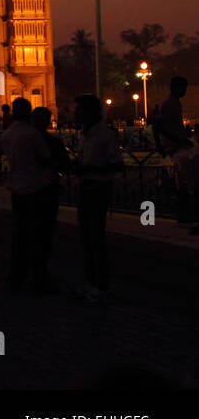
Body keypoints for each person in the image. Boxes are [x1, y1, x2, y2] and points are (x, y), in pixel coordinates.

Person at [1, 98, 55, 293]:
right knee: (38, 233)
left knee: (20, 232)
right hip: (35, 188)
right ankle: (38, 276)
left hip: (16, 187)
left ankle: (16, 275)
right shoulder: (32, 134)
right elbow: (45, 159)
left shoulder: (7, 134)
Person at [72, 94, 122, 302]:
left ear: (90, 113)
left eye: (79, 110)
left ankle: (101, 286)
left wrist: (93, 168)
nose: (75, 114)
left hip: (98, 187)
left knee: (96, 238)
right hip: (86, 187)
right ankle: (91, 282)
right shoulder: (84, 135)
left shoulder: (105, 135)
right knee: (86, 238)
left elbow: (117, 164)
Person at [154, 76, 196, 231]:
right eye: (183, 88)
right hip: (175, 148)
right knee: (182, 183)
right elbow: (160, 126)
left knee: (183, 183)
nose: (184, 91)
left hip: (177, 145)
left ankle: (184, 215)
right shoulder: (169, 104)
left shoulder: (174, 103)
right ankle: (183, 215)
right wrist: (178, 141)